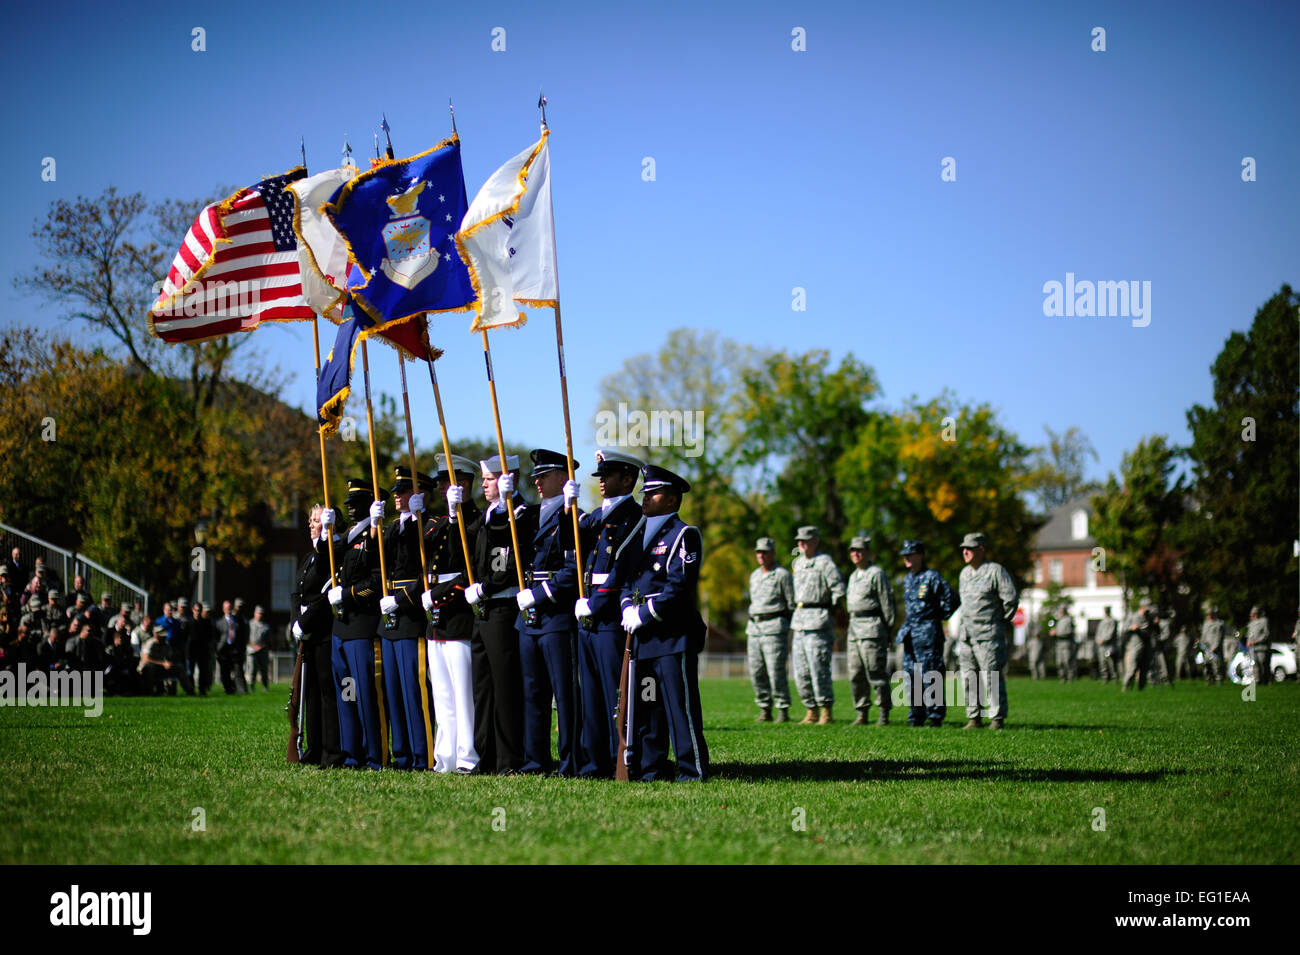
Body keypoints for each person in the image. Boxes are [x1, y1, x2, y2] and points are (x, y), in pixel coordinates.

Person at [618, 464, 709, 781]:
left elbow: (678, 588)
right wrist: (628, 606)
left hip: (672, 637)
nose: (645, 497)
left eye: (653, 492)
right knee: (648, 707)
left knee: (679, 709)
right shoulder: (638, 536)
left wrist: (642, 613)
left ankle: (692, 769)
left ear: (672, 500)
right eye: (644, 492)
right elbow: (628, 581)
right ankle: (651, 769)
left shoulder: (684, 535)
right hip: (643, 640)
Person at [570, 450, 646, 776]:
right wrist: (566, 506)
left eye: (608, 475)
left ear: (627, 479)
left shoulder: (634, 517)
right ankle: (593, 762)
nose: (601, 481)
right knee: (590, 695)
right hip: (587, 616)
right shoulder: (594, 518)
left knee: (614, 696)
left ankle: (622, 760)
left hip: (610, 617)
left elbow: (623, 568)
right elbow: (568, 540)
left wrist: (596, 602)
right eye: (600, 476)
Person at [514, 448, 582, 777]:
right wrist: (503, 501)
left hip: (555, 612)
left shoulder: (574, 516)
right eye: (536, 477)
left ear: (563, 478)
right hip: (528, 616)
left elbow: (573, 569)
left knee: (564, 694)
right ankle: (534, 761)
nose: (538, 482)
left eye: (544, 476)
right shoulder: (528, 515)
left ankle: (570, 762)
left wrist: (540, 595)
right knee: (531, 692)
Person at [464, 454, 527, 775]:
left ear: (508, 479)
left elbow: (510, 556)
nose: (485, 485)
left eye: (489, 479)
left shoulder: (520, 512)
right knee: (483, 687)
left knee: (505, 688)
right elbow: (466, 539)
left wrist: (507, 502)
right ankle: (485, 756)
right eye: (485, 480)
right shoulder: (489, 513)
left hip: (502, 606)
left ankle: (509, 760)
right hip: (482, 609)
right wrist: (454, 511)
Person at [422, 454, 484, 774]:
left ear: (465, 484)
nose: (445, 488)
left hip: (458, 612)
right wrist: (448, 516)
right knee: (442, 693)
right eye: (443, 483)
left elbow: (468, 565)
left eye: (451, 482)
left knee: (463, 692)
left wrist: (458, 517)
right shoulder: (437, 522)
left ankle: (467, 755)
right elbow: (428, 548)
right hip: (435, 615)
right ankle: (444, 756)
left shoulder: (476, 521)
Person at [377, 466, 436, 771]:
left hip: (411, 613)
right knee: (394, 690)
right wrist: (375, 526)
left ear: (420, 494)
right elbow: (380, 560)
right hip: (389, 617)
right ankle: (401, 753)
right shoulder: (390, 528)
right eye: (396, 492)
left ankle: (421, 753)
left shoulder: (429, 525)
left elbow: (424, 567)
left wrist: (417, 519)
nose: (397, 496)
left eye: (403, 491)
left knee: (415, 690)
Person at [325, 478, 387, 770]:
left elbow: (377, 582)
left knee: (364, 693)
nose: (350, 509)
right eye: (347, 505)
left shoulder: (375, 537)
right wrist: (323, 536)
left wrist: (347, 595)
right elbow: (327, 561)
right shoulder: (346, 537)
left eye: (356, 504)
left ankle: (374, 755)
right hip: (341, 628)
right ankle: (351, 754)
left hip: (363, 624)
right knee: (345, 694)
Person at [291, 503, 345, 768]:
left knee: (327, 694)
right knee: (309, 694)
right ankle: (313, 749)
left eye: (316, 520)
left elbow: (326, 596)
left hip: (324, 630)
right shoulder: (309, 556)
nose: (310, 524)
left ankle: (331, 752)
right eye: (311, 520)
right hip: (307, 633)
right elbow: (297, 592)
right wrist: (295, 621)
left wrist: (305, 620)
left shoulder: (331, 554)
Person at [956, 532, 1017, 730]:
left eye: (969, 548)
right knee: (969, 677)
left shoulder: (995, 571)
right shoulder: (964, 574)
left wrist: (999, 621)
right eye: (963, 548)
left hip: (988, 635)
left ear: (981, 549)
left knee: (991, 676)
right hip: (967, 635)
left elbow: (1011, 599)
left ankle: (996, 718)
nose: (965, 551)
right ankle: (974, 717)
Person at [897, 539, 959, 727]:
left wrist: (937, 616)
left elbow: (952, 599)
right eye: (904, 555)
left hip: (928, 634)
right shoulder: (908, 579)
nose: (906, 558)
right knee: (911, 674)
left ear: (920, 556)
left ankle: (934, 715)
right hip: (910, 633)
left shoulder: (932, 577)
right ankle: (916, 715)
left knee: (931, 673)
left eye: (910, 554)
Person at [789, 526, 845, 724]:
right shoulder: (798, 563)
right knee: (800, 670)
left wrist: (830, 609)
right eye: (799, 541)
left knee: (818, 668)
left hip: (819, 621)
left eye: (805, 541)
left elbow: (838, 589)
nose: (801, 544)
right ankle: (810, 709)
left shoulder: (825, 563)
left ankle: (825, 710)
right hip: (799, 621)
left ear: (815, 541)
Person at [845, 534, 895, 726]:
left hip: (872, 629)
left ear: (867, 552)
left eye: (859, 551)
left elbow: (887, 604)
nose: (856, 554)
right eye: (853, 551)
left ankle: (883, 713)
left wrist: (887, 629)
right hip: (854, 629)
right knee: (855, 674)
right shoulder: (853, 576)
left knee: (875, 672)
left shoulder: (876, 574)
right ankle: (862, 712)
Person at [745, 536, 795, 724]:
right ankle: (764, 708)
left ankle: (782, 709)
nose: (761, 555)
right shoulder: (755, 575)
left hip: (774, 628)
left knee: (776, 670)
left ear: (773, 553)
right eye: (758, 552)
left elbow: (791, 603)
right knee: (756, 671)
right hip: (754, 628)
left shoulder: (782, 575)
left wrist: (786, 627)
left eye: (765, 552)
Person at [1121, 599, 1157, 692]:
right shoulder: (1134, 616)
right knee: (1132, 668)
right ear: (1142, 607)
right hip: (1135, 645)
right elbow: (1124, 628)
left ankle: (1141, 688)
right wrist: (1131, 628)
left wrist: (1155, 623)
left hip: (1146, 645)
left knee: (1144, 668)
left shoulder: (1149, 617)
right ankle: (1126, 686)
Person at [214, 600, 248, 694]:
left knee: (238, 671)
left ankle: (242, 690)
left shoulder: (238, 621)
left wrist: (242, 647)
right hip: (224, 650)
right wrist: (217, 648)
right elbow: (216, 637)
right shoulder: (219, 623)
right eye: (226, 608)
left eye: (230, 608)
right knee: (225, 672)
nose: (228, 610)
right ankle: (228, 690)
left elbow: (242, 636)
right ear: (223, 609)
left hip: (235, 650)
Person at [247, 605, 271, 691]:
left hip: (262, 650)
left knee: (264, 670)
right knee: (252, 669)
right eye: (258, 613)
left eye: (261, 613)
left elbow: (269, 639)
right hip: (251, 650)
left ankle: (265, 686)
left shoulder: (266, 626)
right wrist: (254, 646)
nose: (259, 615)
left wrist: (261, 646)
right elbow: (246, 638)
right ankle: (251, 687)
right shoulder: (249, 624)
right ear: (255, 613)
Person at [1245, 605, 1271, 685]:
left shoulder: (1264, 621)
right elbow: (1249, 635)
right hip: (1253, 648)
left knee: (1263, 663)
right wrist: (1248, 642)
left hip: (1262, 647)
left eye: (1255, 613)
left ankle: (1266, 680)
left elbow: (1266, 634)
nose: (1253, 615)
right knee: (1255, 664)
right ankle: (1257, 680)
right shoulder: (1251, 624)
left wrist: (1255, 641)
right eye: (1253, 614)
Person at [1199, 606, 1226, 685]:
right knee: (1206, 665)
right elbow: (1203, 636)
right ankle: (1209, 680)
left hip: (1214, 649)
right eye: (1207, 614)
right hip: (1206, 648)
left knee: (1216, 666)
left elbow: (1219, 637)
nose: (1208, 616)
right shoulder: (1205, 624)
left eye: (1210, 614)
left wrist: (1214, 647)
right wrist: (1201, 644)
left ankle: (1219, 680)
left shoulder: (1219, 624)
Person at [1095, 606, 1119, 683]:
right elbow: (1098, 632)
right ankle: (1104, 678)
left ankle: (1114, 677)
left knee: (1110, 662)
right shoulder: (1102, 622)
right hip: (1102, 646)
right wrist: (1098, 640)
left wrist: (1103, 640)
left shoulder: (1112, 621)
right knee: (1102, 662)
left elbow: (1110, 634)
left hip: (1109, 646)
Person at [1051, 610, 1076, 682]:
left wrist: (1057, 633)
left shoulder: (1068, 620)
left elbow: (1069, 631)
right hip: (1059, 644)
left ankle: (1070, 677)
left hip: (1066, 643)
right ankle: (1062, 677)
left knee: (1067, 661)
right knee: (1059, 662)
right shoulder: (1059, 621)